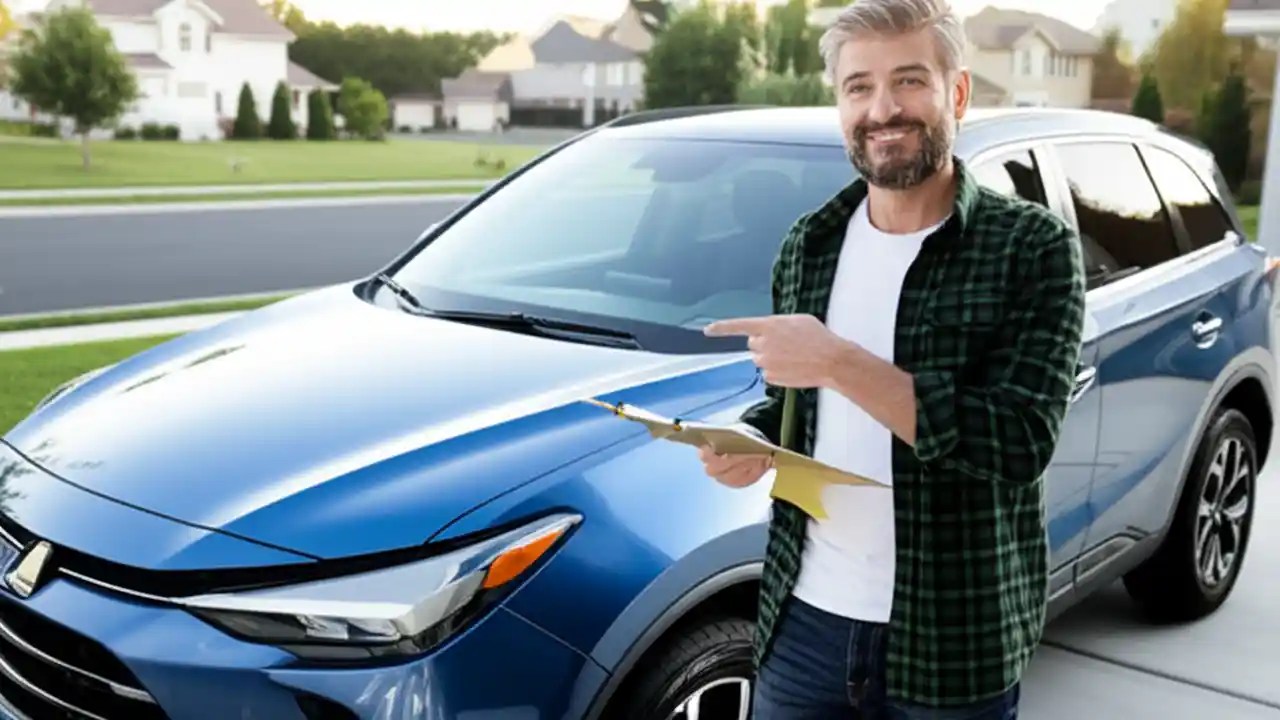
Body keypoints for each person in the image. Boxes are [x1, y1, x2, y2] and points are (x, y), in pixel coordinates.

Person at [698, 0, 1087, 718]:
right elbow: (797, 402)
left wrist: (839, 360)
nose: (883, 109)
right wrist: (754, 440)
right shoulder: (808, 245)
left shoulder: (1031, 248)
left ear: (957, 93)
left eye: (909, 81)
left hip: (953, 640)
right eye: (859, 87)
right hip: (803, 624)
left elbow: (1020, 440)